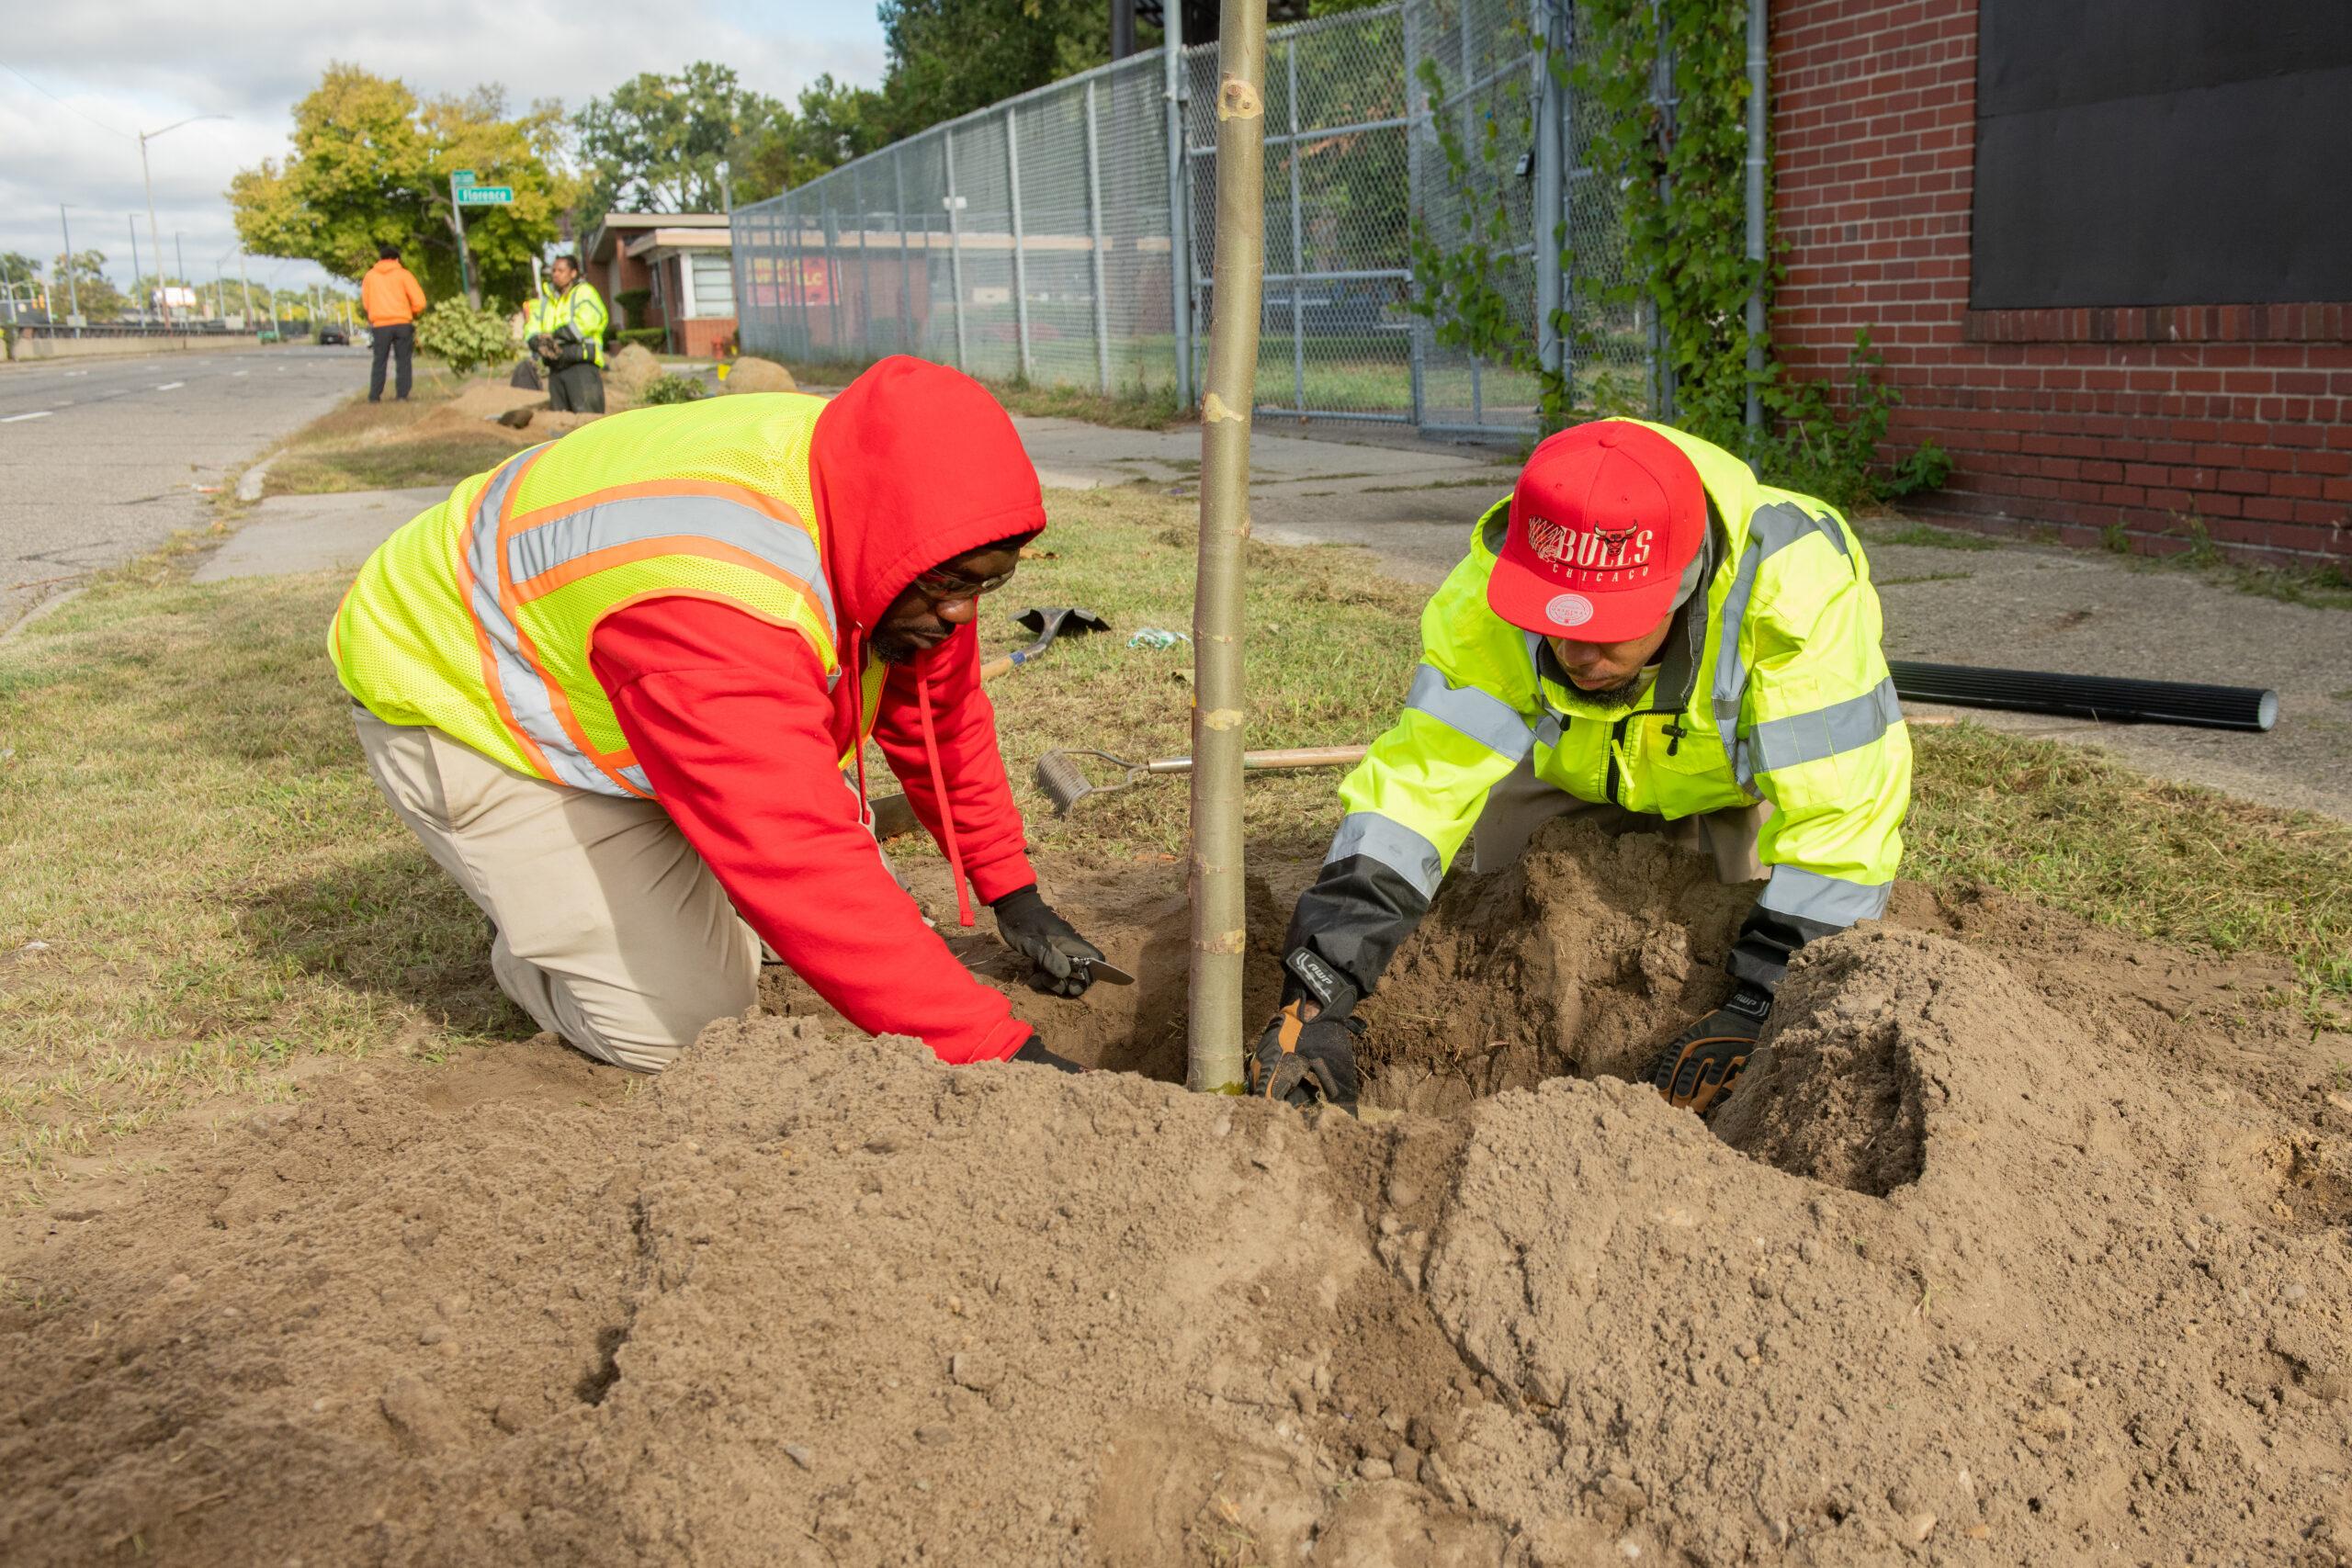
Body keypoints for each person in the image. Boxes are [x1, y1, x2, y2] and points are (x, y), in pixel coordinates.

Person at [328, 355, 1106, 1074]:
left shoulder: (894, 514)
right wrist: (998, 1051)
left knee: (777, 914)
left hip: (648, 690)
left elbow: (940, 715)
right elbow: (797, 856)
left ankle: (634, 882)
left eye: (989, 585)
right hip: (471, 696)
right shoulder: (717, 603)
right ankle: (539, 945)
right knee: (680, 1026)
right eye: (949, 585)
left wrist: (1015, 894)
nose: (962, 613)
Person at [1254, 417, 1912, 1117]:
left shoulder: (1794, 585)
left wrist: (1764, 1001)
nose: (1577, 654)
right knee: (1504, 898)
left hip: (1723, 777)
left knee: (1752, 910)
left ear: (1686, 581)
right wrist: (1318, 987)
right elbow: (1420, 784)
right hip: (1567, 765)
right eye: (1556, 622)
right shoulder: (1494, 586)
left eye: (1607, 627)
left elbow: (1843, 815)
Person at [524, 254, 609, 414]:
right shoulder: (546, 301)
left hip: (581, 366)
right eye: (554, 270)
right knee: (561, 424)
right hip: (556, 367)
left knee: (588, 422)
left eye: (561, 270)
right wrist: (535, 340)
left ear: (573, 273)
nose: (555, 274)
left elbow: (588, 320)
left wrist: (556, 335)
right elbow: (532, 325)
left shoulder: (584, 292)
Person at [360, 243, 426, 402]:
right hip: (402, 322)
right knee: (403, 360)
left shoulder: (370, 276)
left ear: (380, 259)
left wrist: (374, 315)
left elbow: (366, 303)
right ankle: (402, 395)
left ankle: (374, 396)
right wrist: (413, 312)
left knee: (379, 361)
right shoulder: (404, 274)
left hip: (380, 324)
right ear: (397, 259)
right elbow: (420, 301)